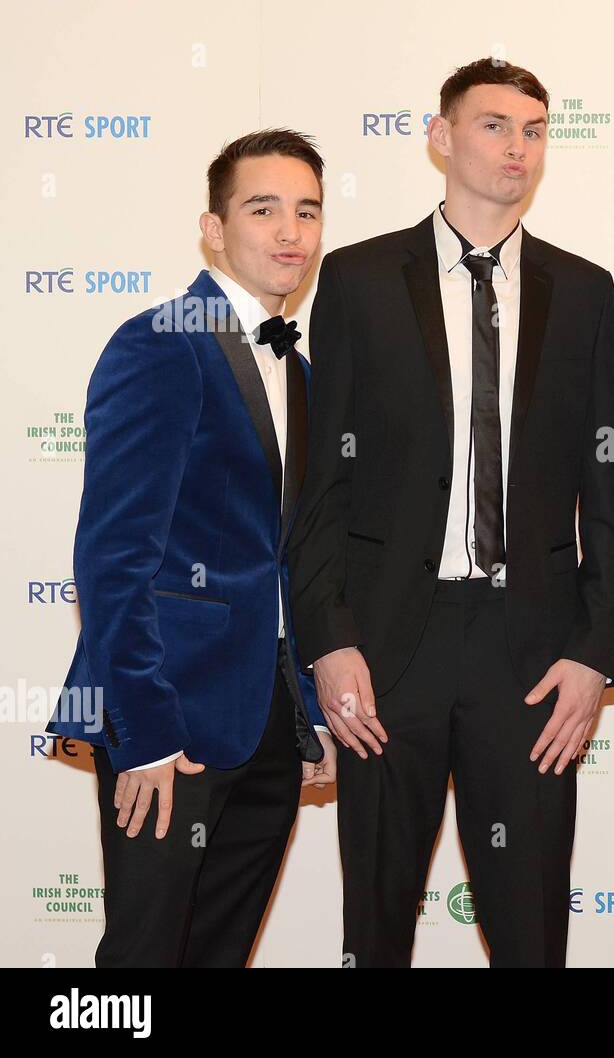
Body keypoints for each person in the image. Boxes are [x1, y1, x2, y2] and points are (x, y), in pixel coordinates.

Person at [289, 58, 614, 968]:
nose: (515, 147)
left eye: (532, 129)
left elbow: (607, 493)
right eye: (492, 125)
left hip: (530, 655)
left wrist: (595, 652)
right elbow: (320, 480)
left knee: (529, 929)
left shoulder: (586, 291)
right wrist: (327, 640)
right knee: (376, 922)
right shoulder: (359, 280)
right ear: (440, 137)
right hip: (385, 649)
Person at [47, 128, 335, 967]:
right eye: (263, 208)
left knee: (219, 952)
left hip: (269, 726)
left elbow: (284, 560)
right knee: (140, 963)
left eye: (308, 211)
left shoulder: (302, 371)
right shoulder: (162, 341)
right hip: (167, 721)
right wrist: (143, 734)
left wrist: (307, 712)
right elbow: (112, 557)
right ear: (213, 228)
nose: (291, 231)